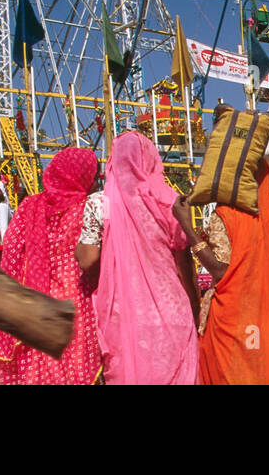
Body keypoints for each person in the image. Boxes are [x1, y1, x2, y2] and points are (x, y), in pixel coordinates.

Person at [79, 131, 199, 384]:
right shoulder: (170, 202)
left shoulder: (99, 204)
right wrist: (194, 310)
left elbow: (88, 259)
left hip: (123, 316)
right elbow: (184, 265)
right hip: (172, 313)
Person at [178, 158, 269, 385]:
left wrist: (188, 228)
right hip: (268, 313)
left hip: (234, 320)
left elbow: (220, 271)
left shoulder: (226, 214)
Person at [0, 148, 102, 385]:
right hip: (79, 303)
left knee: (40, 369)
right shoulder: (88, 209)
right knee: (76, 369)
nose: (97, 182)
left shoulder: (29, 207)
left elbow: (11, 255)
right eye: (94, 176)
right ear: (79, 176)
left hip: (36, 304)